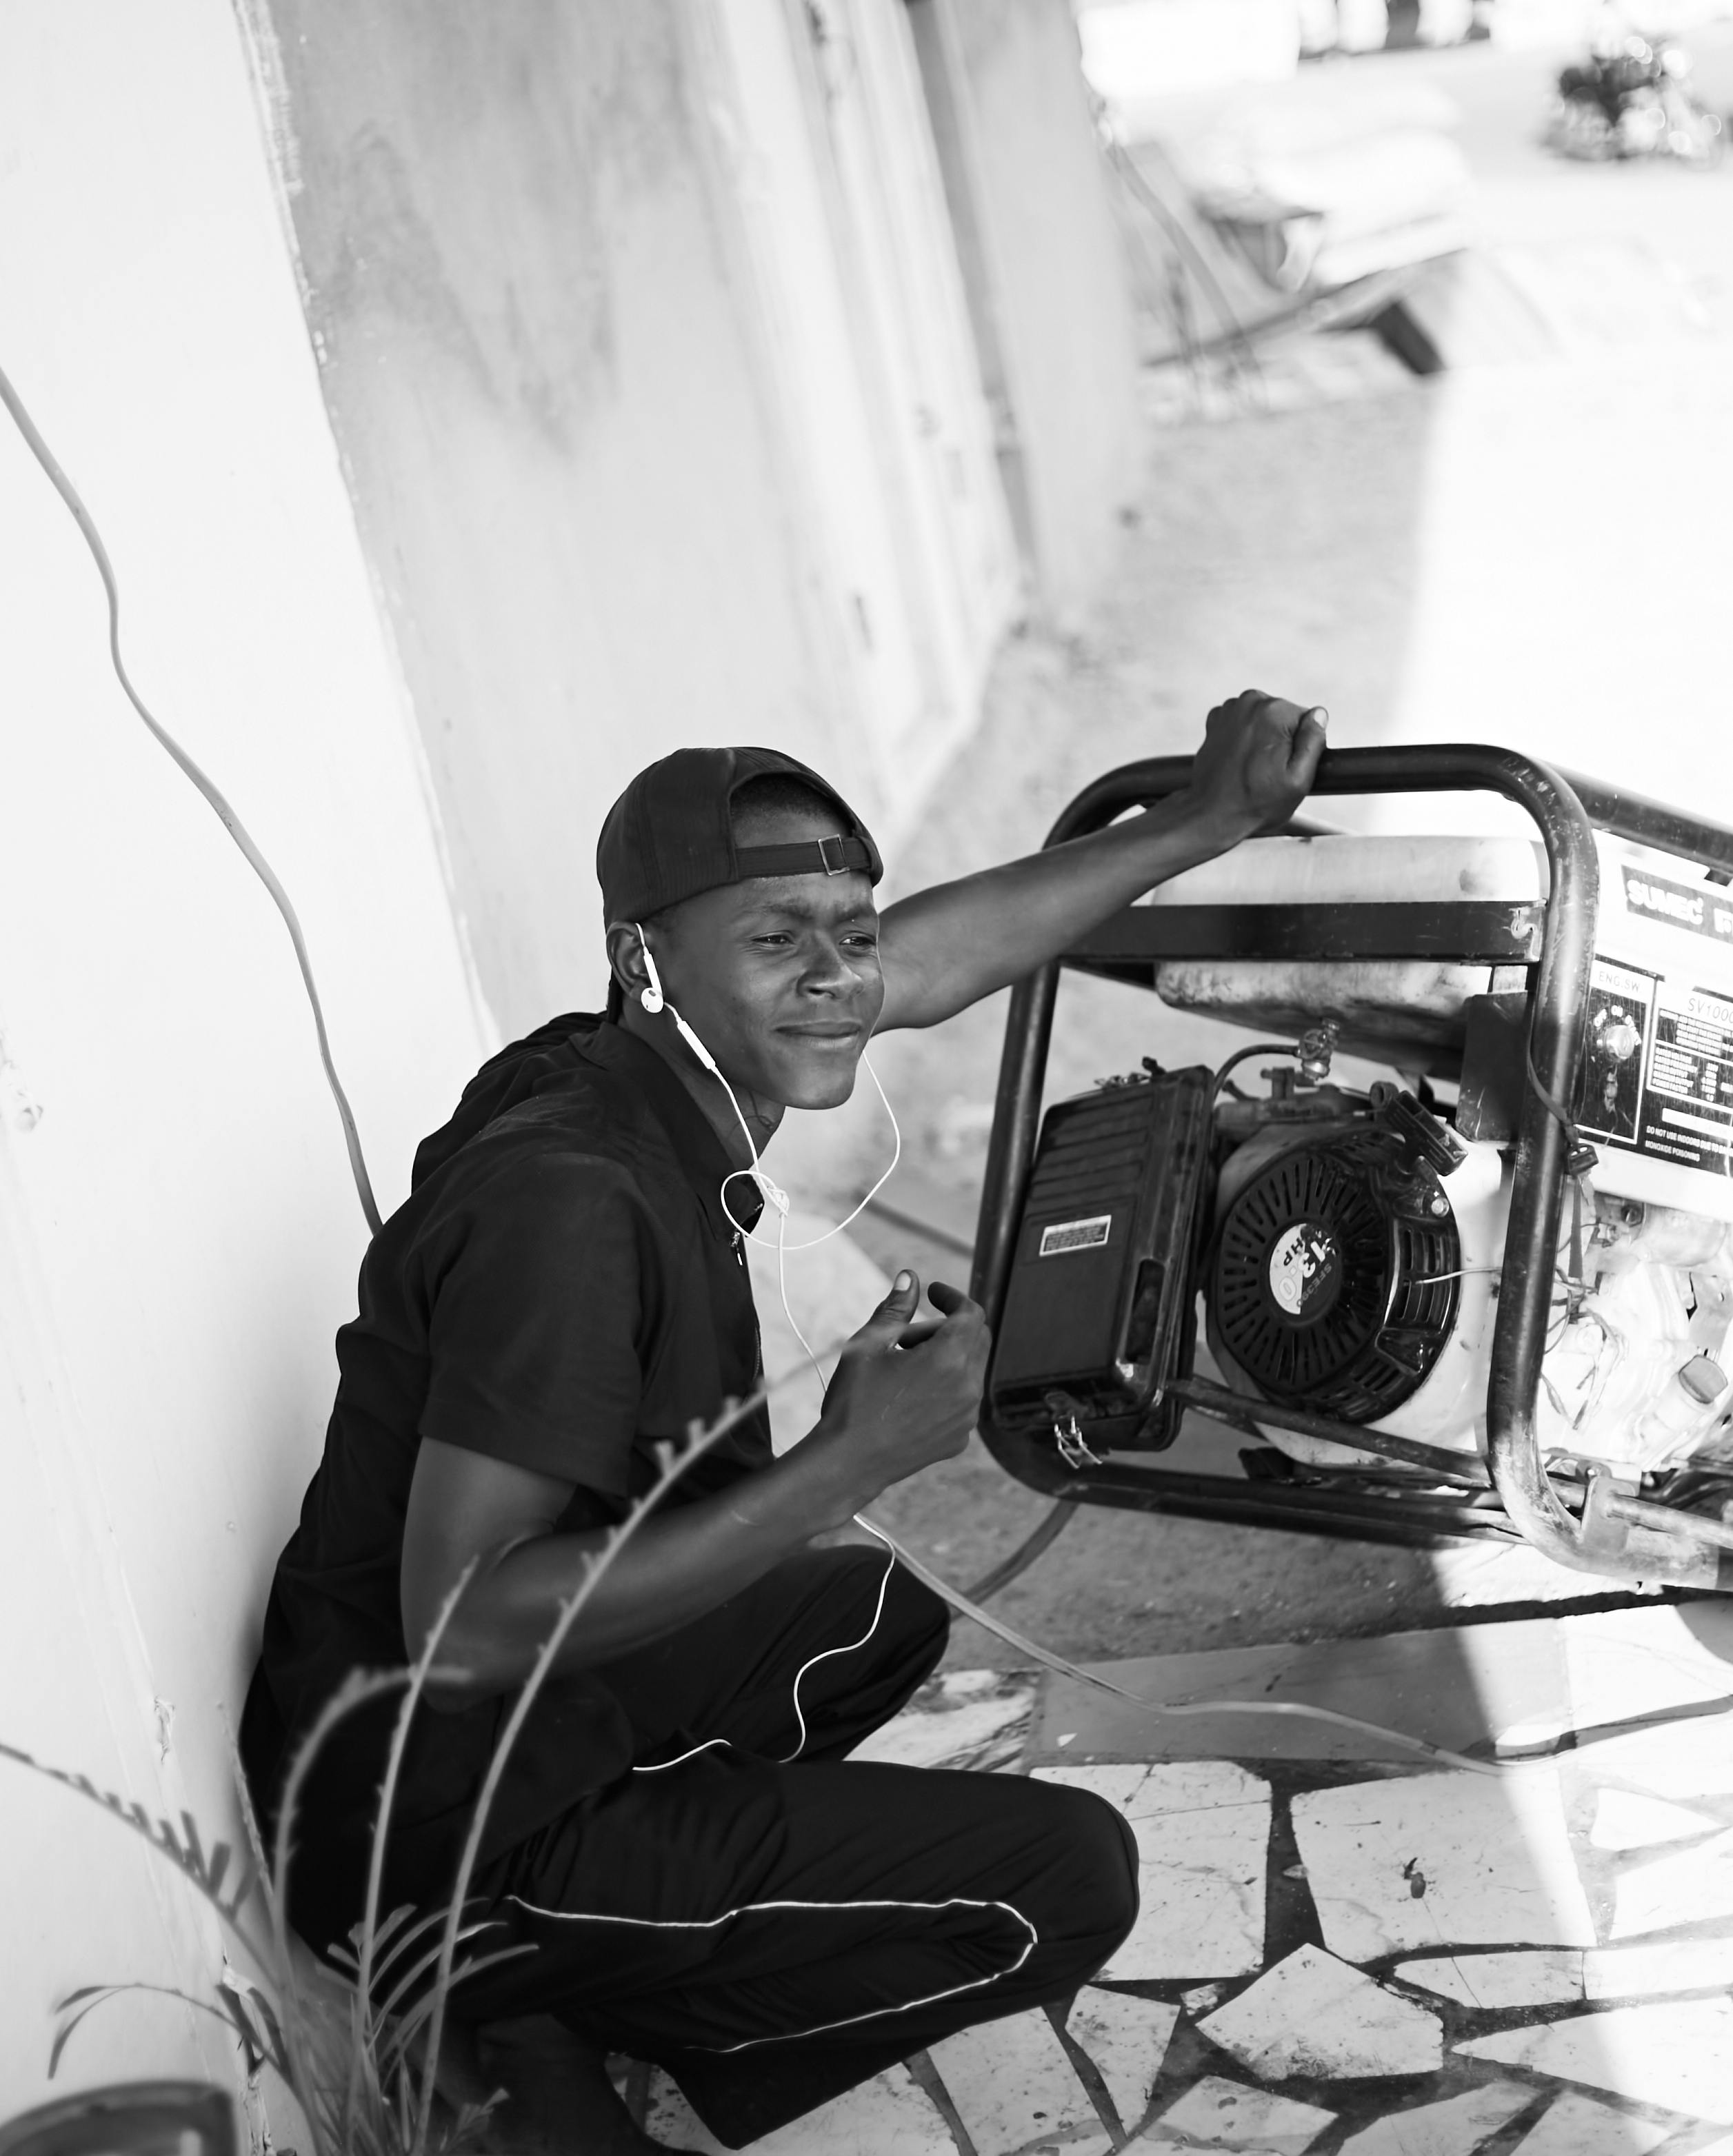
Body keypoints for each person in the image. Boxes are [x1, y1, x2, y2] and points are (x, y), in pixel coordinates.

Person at [241, 691, 1326, 2150]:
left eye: (851, 930)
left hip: (487, 1725)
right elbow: (468, 1623)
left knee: (871, 1615)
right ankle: (497, 1978)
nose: (837, 980)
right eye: (776, 940)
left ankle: (592, 1955)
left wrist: (1200, 820)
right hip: (419, 1818)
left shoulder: (632, 1070)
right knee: (1063, 1879)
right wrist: (849, 1456)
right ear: (646, 958)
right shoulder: (572, 1202)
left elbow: (927, 961)